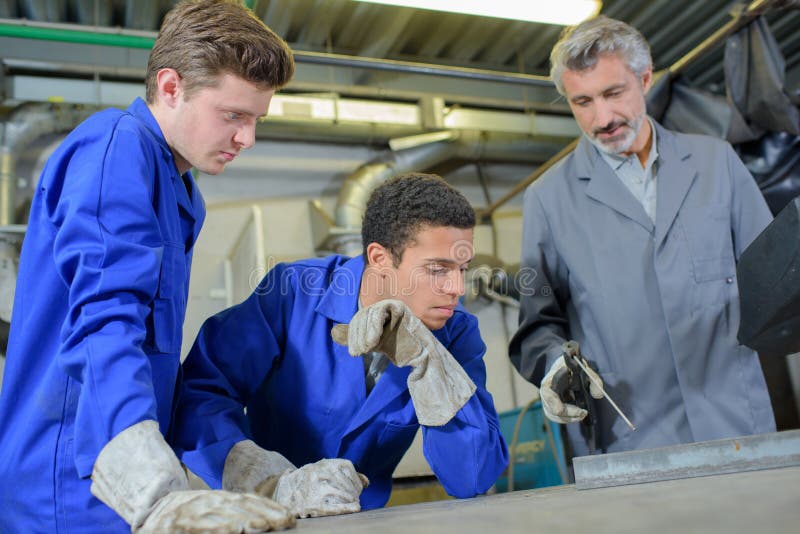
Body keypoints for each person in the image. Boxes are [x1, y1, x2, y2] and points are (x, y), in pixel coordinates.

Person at [0, 1, 296, 532]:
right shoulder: (117, 149)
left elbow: (155, 359)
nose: (247, 138)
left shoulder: (183, 192)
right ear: (170, 86)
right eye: (233, 115)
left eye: (256, 120)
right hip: (71, 485)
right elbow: (105, 323)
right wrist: (151, 483)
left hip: (122, 483)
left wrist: (249, 468)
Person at [509, 15, 776, 458]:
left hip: (736, 424)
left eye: (613, 94)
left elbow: (777, 279)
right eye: (583, 102)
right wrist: (555, 366)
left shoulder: (717, 164)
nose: (602, 118)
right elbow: (537, 324)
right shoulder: (548, 200)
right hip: (631, 438)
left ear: (645, 78)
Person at [172, 173, 509, 511]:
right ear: (380, 259)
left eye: (463, 269)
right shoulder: (293, 293)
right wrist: (264, 480)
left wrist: (431, 365)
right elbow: (200, 393)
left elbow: (473, 477)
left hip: (364, 520)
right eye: (438, 270)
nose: (457, 288)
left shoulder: (456, 333)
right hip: (269, 514)